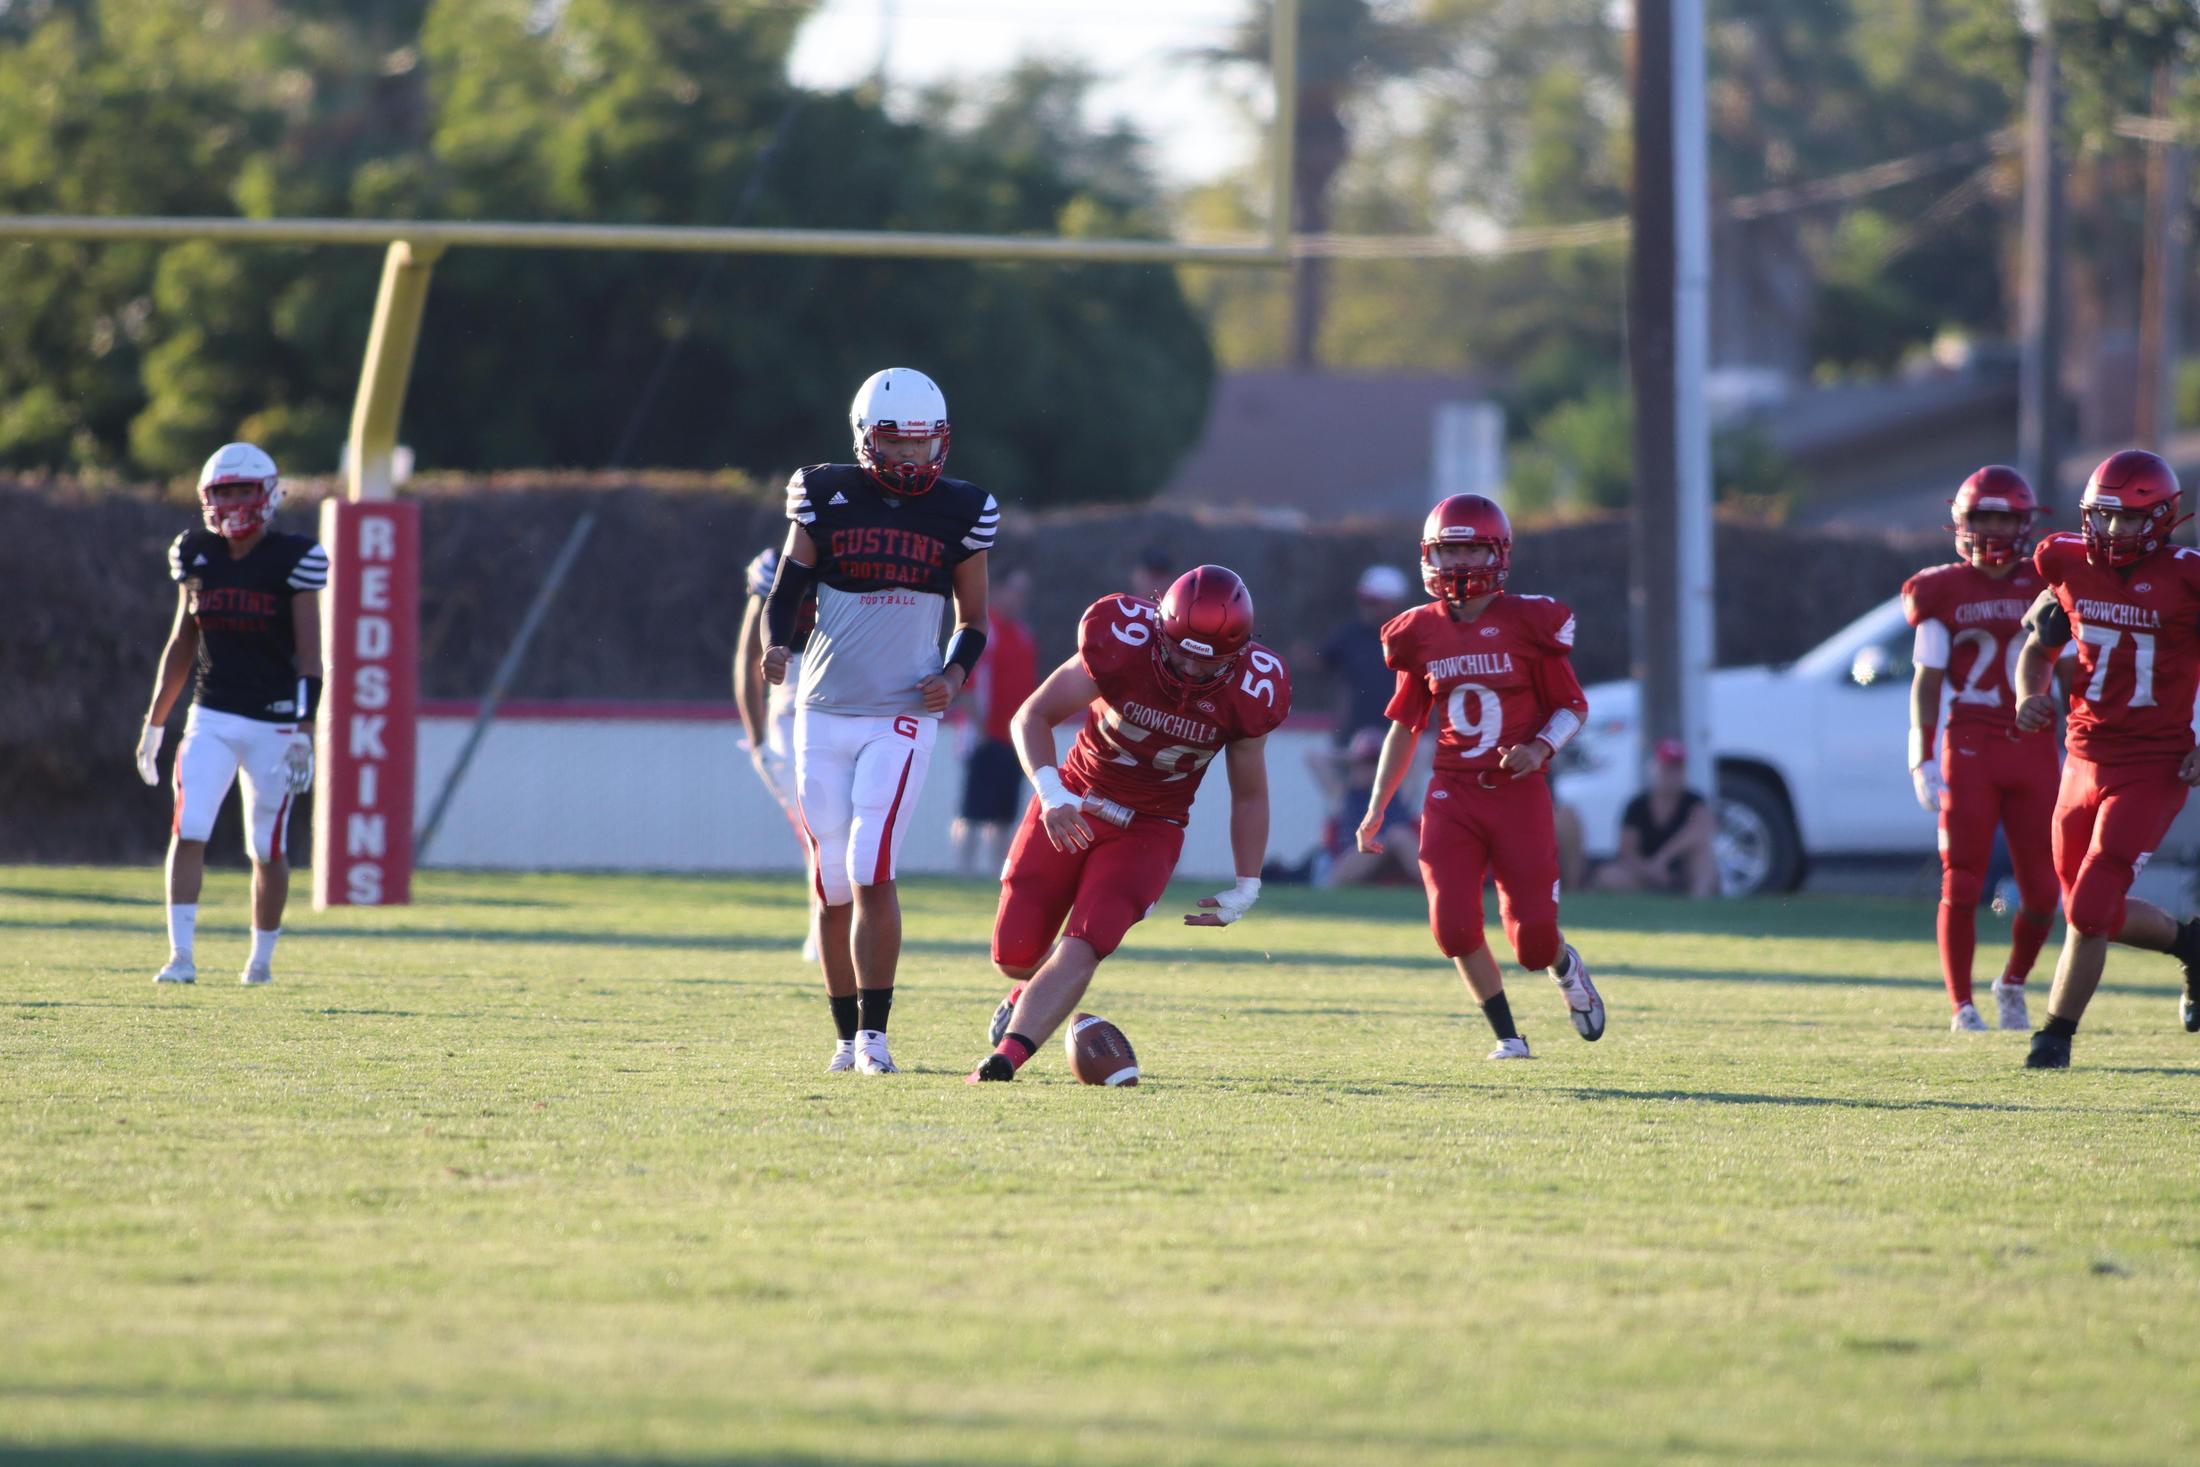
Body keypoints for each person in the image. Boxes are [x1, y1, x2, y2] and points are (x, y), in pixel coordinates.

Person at [761, 367, 996, 1075]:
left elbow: (974, 620)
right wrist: (777, 644)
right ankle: (842, 1037)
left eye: (926, 447)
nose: (915, 461)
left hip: (900, 710)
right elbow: (788, 587)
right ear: (868, 440)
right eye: (902, 447)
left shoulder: (963, 510)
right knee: (829, 879)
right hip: (823, 711)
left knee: (870, 865)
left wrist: (952, 676)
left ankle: (876, 1037)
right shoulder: (824, 493)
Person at [969, 565, 1290, 1082]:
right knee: (1015, 955)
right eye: (1180, 649)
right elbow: (1031, 716)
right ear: (1160, 628)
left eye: (1205, 661)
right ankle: (1025, 991)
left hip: (1151, 827)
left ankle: (1007, 1057)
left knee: (1087, 940)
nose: (1187, 668)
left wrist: (1248, 884)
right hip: (1074, 799)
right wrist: (1051, 794)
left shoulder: (1251, 690)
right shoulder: (1121, 642)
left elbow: (1250, 794)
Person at [1358, 494, 1606, 1060]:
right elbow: (1404, 726)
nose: (1458, 563)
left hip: (1518, 795)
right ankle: (1509, 1039)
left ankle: (1567, 969)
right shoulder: (1418, 632)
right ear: (1428, 558)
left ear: (1496, 553)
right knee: (1452, 928)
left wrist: (1539, 747)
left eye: (1470, 548)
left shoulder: (1528, 623)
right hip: (1452, 793)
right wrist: (1378, 806)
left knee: (1534, 941)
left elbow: (1573, 708)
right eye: (1448, 551)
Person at [2013, 449, 2200, 1069]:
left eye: (2127, 519)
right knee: (2086, 907)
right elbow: (2038, 649)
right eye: (2103, 516)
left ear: (2163, 517)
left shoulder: (2189, 578)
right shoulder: (2064, 561)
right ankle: (2193, 945)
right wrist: (2027, 696)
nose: (2113, 532)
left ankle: (2054, 1037)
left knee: (2090, 908)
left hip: (2152, 764)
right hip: (2082, 757)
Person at [136, 442, 325, 986]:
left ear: (267, 494)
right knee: (189, 826)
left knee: (266, 845)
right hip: (211, 715)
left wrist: (305, 731)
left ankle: (261, 961)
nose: (235, 501)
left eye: (244, 489)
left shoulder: (294, 556)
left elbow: (310, 655)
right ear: (206, 497)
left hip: (273, 721)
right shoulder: (196, 552)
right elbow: (181, 642)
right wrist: (154, 721)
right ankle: (181, 957)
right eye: (224, 491)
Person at [1899, 466, 2059, 1032]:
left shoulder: (2048, 580)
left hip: (2033, 745)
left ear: (2023, 524)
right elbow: (1927, 679)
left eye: (2003, 518)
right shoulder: (1941, 589)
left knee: (2044, 890)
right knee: (1962, 880)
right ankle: (1961, 1006)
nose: (1992, 531)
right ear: (1961, 524)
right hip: (1969, 744)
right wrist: (1919, 755)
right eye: (1982, 518)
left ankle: (2012, 982)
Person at [733, 543, 820, 960]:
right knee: (816, 830)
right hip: (791, 704)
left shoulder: (857, 553)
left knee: (844, 829)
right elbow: (749, 655)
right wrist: (756, 740)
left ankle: (832, 933)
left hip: (850, 700)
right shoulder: (775, 565)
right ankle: (825, 934)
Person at [951, 566, 1039, 875]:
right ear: (999, 590)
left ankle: (996, 874)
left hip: (1013, 738)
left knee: (1004, 813)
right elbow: (968, 683)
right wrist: (979, 729)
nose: (1020, 599)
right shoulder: (985, 630)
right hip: (985, 736)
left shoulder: (1024, 634)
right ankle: (966, 871)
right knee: (973, 811)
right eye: (1016, 591)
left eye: (1024, 594)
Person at [1591, 739, 1718, 898]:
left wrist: (1662, 859)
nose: (1672, 774)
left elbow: (1701, 831)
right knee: (1608, 875)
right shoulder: (1637, 805)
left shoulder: (1694, 801)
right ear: (1654, 768)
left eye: (1677, 768)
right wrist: (1651, 870)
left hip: (1680, 871)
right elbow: (1627, 852)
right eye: (1667, 768)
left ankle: (1697, 901)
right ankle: (1651, 896)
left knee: (1703, 856)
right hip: (1645, 872)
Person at [1308, 725, 1418, 886]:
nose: (1369, 768)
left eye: (1375, 762)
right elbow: (1312, 757)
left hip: (1397, 857)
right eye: (1365, 762)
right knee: (1374, 841)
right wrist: (1354, 755)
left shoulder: (1399, 790)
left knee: (1398, 835)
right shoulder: (1342, 793)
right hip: (1356, 860)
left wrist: (1391, 754)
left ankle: (1440, 888)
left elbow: (1425, 748)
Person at [1317, 563, 1412, 748]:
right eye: (1365, 600)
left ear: (1395, 604)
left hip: (1400, 742)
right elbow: (1319, 664)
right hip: (1352, 741)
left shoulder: (1412, 639)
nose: (1367, 607)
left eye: (1374, 602)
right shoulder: (1348, 636)